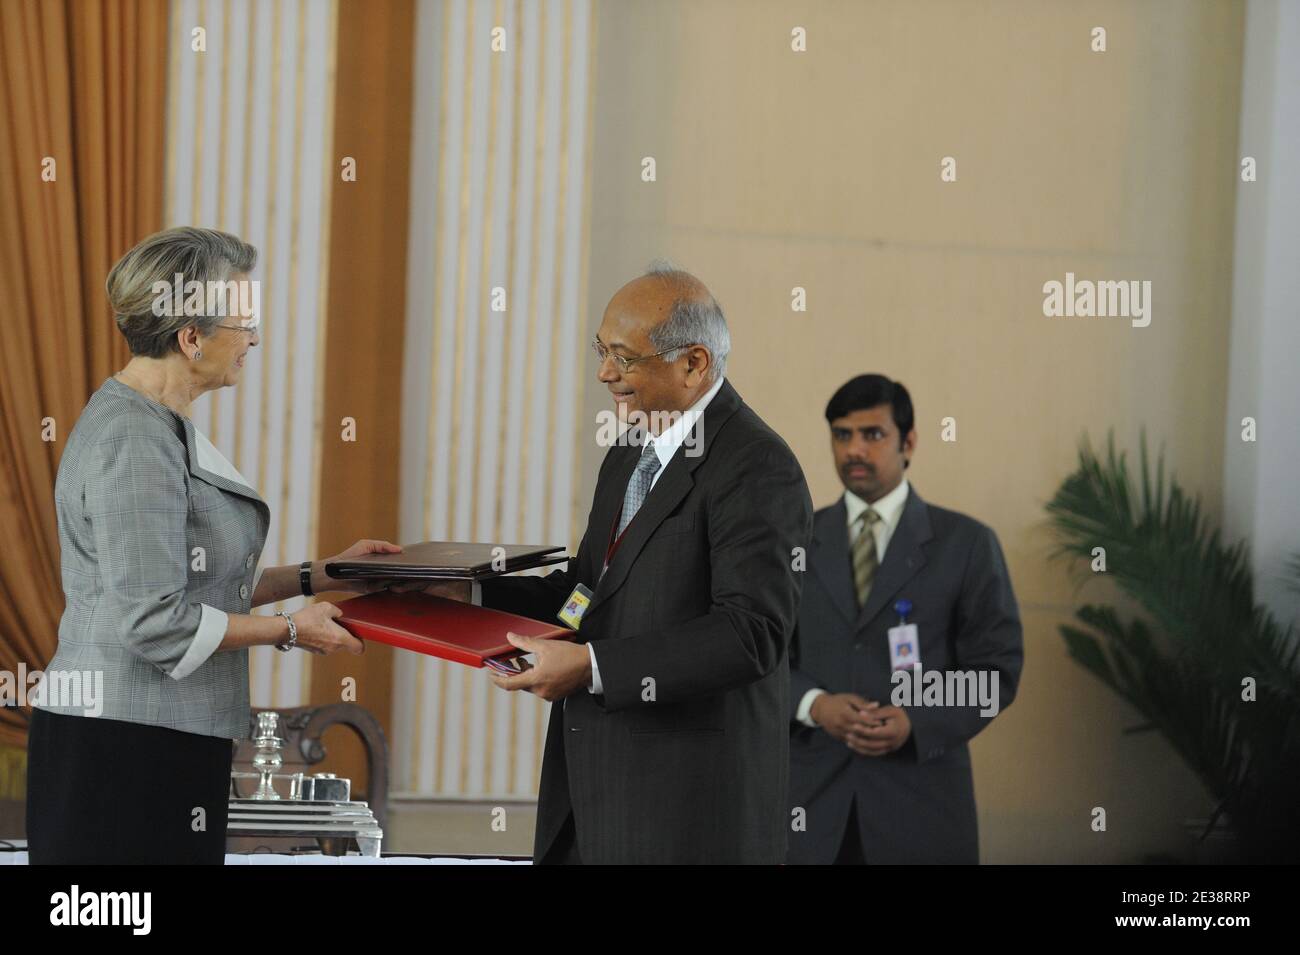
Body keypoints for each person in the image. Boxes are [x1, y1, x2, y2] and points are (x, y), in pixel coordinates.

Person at [25, 226, 399, 864]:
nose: (254, 338)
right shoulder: (135, 441)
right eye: (244, 322)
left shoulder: (153, 424)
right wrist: (290, 630)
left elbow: (187, 583)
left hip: (154, 736)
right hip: (125, 747)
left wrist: (320, 575)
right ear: (190, 337)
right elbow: (154, 619)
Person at [455, 262, 812, 863]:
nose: (604, 374)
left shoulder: (757, 465)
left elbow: (751, 635)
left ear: (693, 364)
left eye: (624, 358)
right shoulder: (629, 453)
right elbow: (586, 595)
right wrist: (465, 599)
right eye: (601, 350)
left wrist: (591, 666)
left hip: (685, 815)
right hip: (589, 799)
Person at [787, 374, 1023, 864]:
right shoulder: (795, 542)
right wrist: (815, 704)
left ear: (908, 441)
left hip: (920, 805)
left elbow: (995, 669)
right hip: (810, 809)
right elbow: (762, 656)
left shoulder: (967, 544)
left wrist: (916, 720)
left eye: (873, 435)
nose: (855, 449)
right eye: (842, 434)